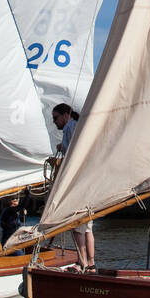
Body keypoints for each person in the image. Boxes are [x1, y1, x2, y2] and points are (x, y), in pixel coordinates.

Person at [51, 103, 94, 271]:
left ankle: (81, 261)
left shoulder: (70, 127)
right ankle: (91, 263)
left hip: (77, 184)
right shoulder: (77, 125)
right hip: (86, 184)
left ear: (65, 115)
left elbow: (74, 152)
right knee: (88, 228)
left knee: (77, 226)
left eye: (56, 118)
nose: (54, 122)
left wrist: (62, 148)